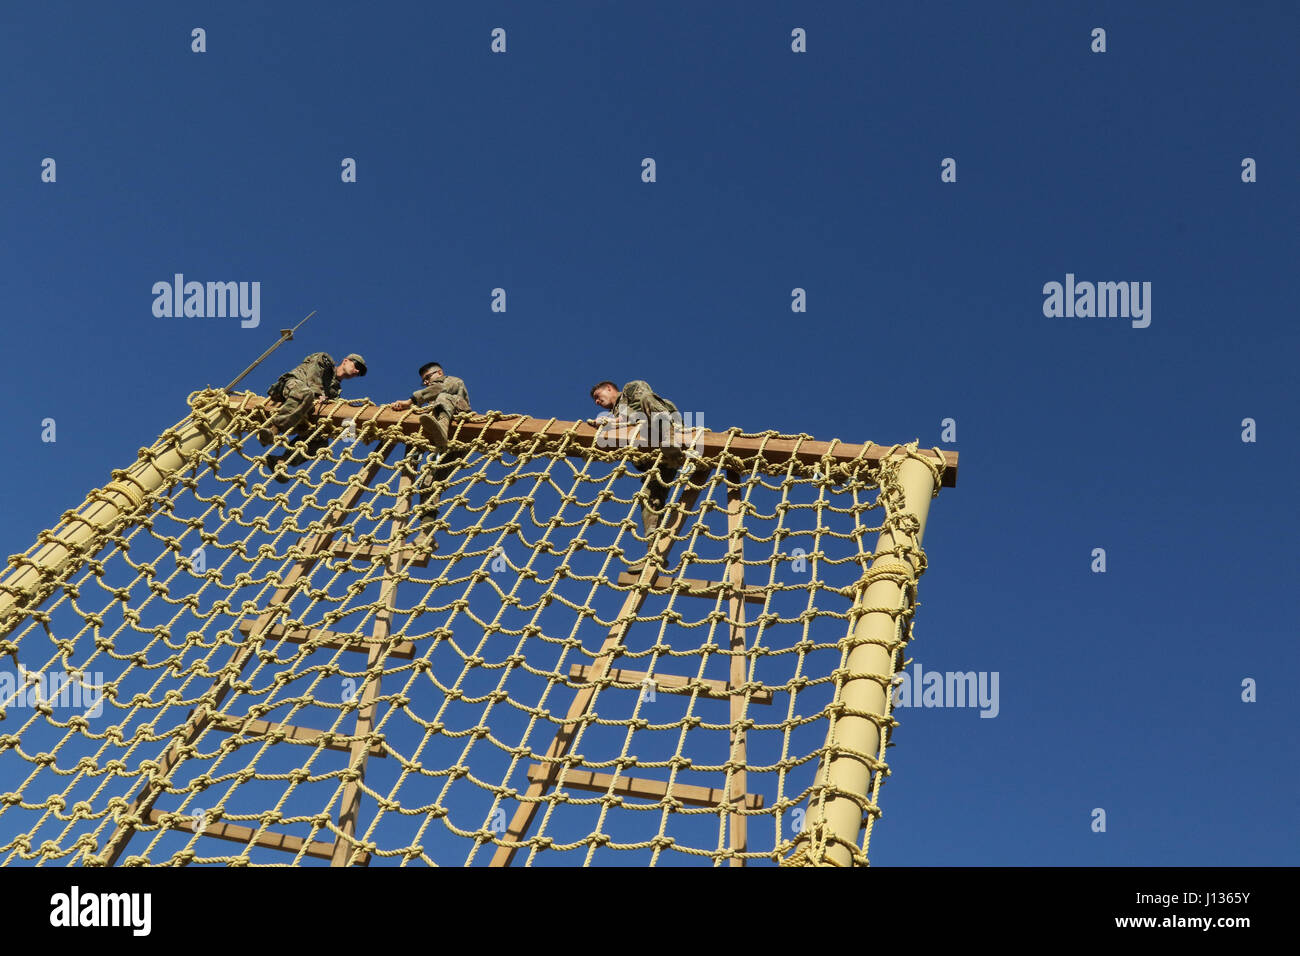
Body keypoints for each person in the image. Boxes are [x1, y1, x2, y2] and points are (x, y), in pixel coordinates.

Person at [589, 379, 689, 538]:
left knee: (646, 399)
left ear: (608, 388)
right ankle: (653, 550)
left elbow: (640, 412)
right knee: (648, 498)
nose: (596, 401)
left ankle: (669, 438)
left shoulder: (630, 389)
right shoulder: (613, 416)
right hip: (653, 459)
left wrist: (613, 422)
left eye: (597, 395)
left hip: (659, 431)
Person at [389, 362, 472, 537]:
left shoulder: (452, 382)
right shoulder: (431, 402)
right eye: (424, 381)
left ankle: (442, 427)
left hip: (457, 433)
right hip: (440, 445)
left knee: (443, 397)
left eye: (428, 378)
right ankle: (426, 533)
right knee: (429, 484)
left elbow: (438, 390)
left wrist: (410, 401)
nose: (426, 382)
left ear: (439, 372)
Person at [259, 351, 366, 447]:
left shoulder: (334, 391)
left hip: (305, 407)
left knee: (321, 440)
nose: (357, 371)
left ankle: (278, 462)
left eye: (359, 372)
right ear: (346, 361)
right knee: (306, 393)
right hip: (294, 385)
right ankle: (273, 429)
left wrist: (351, 430)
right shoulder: (325, 360)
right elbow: (313, 375)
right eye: (356, 366)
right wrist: (318, 394)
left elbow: (337, 411)